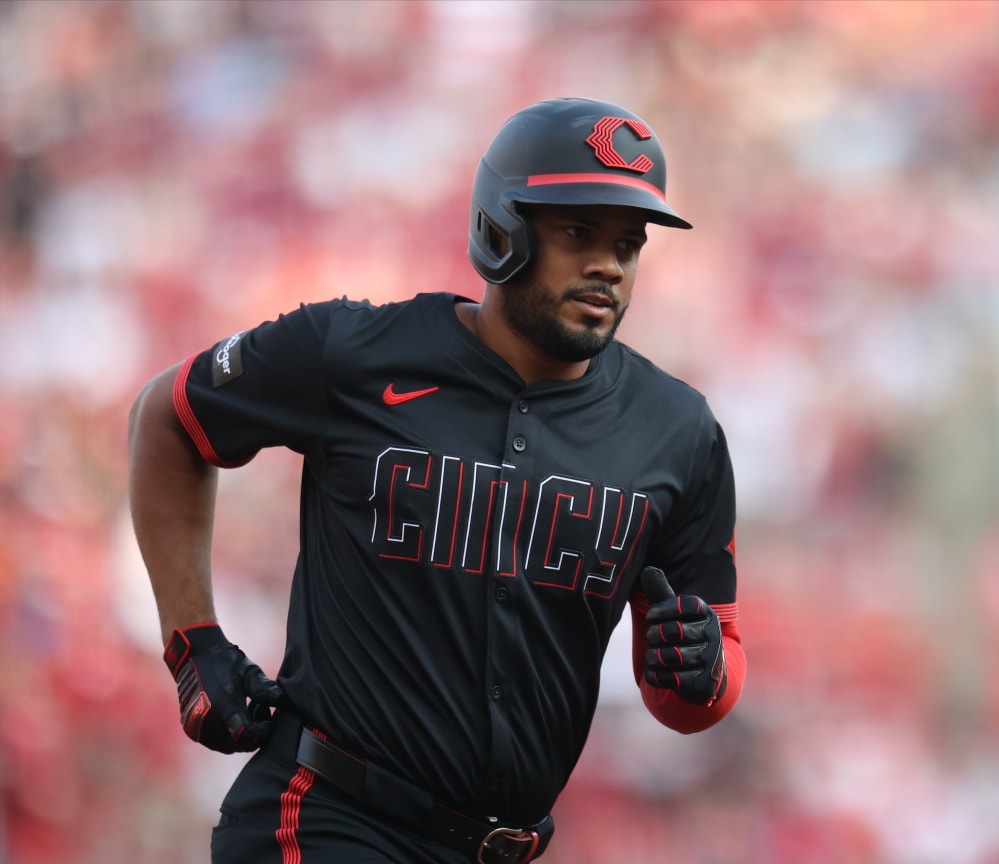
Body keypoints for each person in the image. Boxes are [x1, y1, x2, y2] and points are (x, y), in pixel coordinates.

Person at [127, 97, 745, 864]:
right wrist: (194, 641)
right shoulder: (353, 352)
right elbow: (171, 415)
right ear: (502, 229)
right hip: (325, 818)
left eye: (628, 242)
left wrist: (701, 672)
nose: (608, 265)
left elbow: (696, 689)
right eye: (578, 232)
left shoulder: (678, 431)